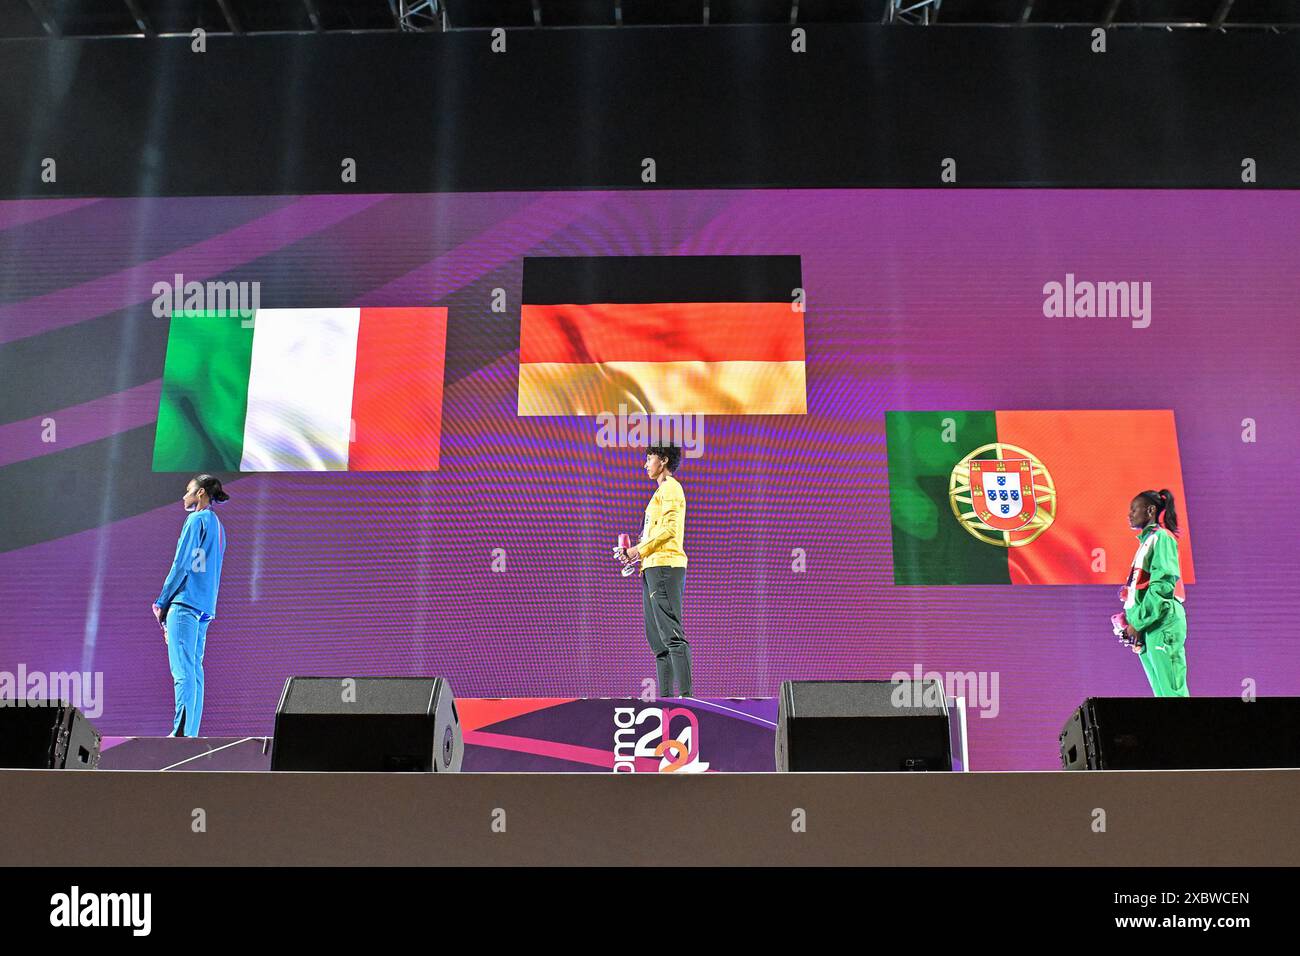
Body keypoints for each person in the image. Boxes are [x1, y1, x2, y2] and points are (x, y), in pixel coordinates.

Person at [152, 474, 229, 736]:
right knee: (195, 671)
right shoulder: (218, 527)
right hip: (203, 607)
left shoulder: (195, 519)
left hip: (184, 604)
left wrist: (162, 601)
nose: (183, 496)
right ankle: (190, 732)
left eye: (188, 490)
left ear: (201, 493)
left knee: (183, 670)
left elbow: (182, 563)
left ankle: (181, 733)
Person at [618, 446, 691, 698]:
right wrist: (634, 556)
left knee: (672, 635)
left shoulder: (670, 487)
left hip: (665, 566)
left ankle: (687, 700)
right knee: (658, 643)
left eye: (649, 458)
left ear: (664, 460)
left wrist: (638, 549)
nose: (645, 464)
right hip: (651, 568)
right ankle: (667, 701)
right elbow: (653, 534)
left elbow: (670, 530)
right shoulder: (659, 494)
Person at [1119, 489, 1188, 697]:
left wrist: (1137, 622)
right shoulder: (1145, 543)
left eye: (1134, 509)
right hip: (1147, 627)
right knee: (1160, 695)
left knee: (1172, 694)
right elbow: (1142, 588)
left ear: (1150, 510)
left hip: (1162, 623)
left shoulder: (1161, 538)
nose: (1129, 514)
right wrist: (1130, 618)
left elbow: (1162, 587)